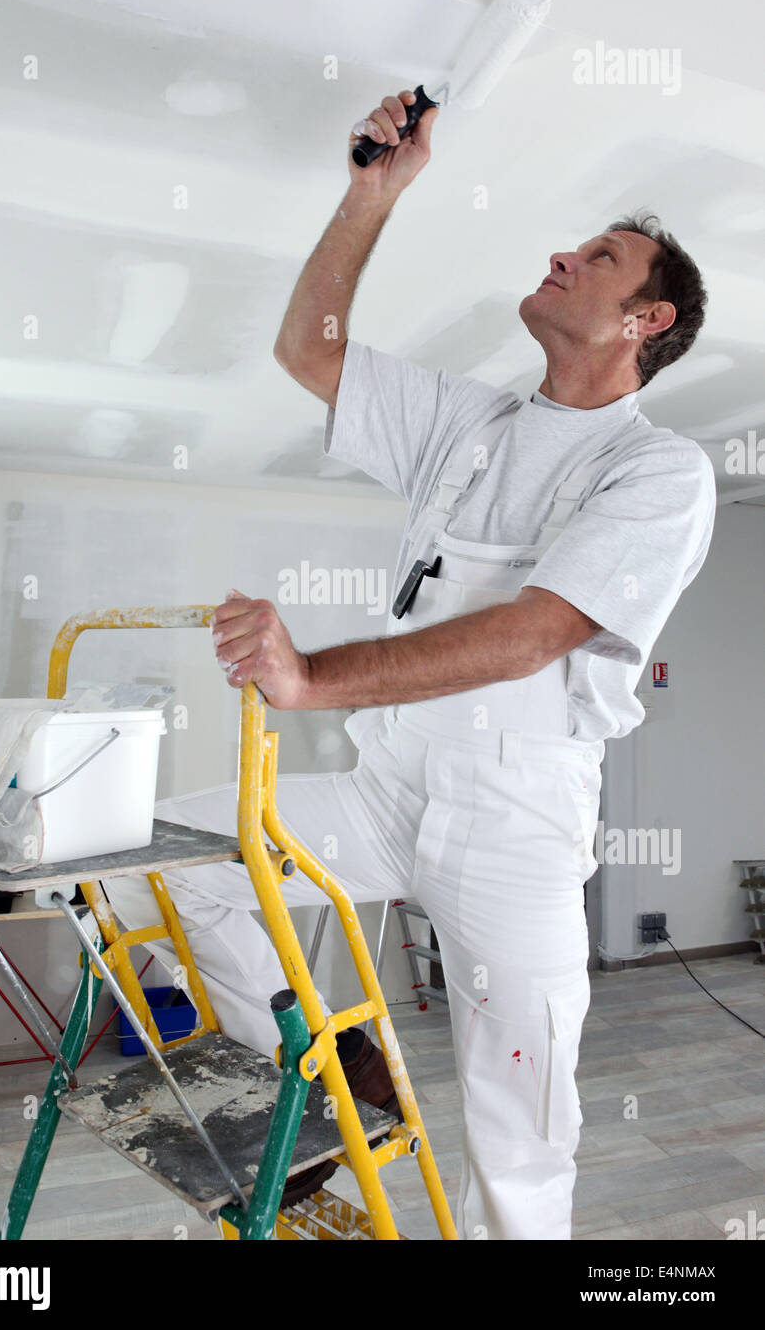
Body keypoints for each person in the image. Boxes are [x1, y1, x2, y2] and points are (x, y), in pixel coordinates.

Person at [104, 90, 716, 1239]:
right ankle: (322, 1068)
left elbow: (535, 632)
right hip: (389, 788)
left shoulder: (656, 472)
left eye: (597, 257)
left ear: (647, 319)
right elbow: (307, 349)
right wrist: (370, 194)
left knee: (517, 1133)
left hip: (515, 824)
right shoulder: (468, 423)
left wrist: (309, 677)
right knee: (166, 862)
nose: (561, 256)